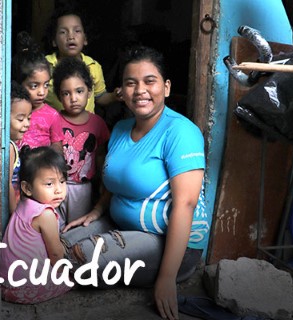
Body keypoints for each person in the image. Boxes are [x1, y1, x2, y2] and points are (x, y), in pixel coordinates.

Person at [61, 46, 209, 320]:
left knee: (81, 257)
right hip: (122, 224)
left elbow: (185, 205)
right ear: (122, 91)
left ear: (165, 87)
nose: (140, 90)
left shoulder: (181, 132)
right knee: (59, 243)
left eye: (149, 81)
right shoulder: (120, 129)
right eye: (131, 83)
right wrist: (96, 212)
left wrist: (166, 278)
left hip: (169, 243)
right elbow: (115, 182)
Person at [0, 146, 72, 304]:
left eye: (62, 181)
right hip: (28, 290)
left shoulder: (24, 204)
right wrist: (63, 274)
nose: (59, 190)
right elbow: (56, 254)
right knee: (77, 277)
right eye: (49, 184)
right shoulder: (45, 214)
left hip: (6, 286)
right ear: (27, 188)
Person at [52, 56, 110, 230]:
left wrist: (102, 183)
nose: (73, 98)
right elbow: (54, 154)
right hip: (58, 186)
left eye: (79, 91)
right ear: (59, 96)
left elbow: (100, 155)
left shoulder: (98, 123)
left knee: (77, 228)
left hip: (83, 188)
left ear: (90, 92)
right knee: (55, 227)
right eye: (66, 93)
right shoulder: (55, 120)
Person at [44, 5, 121, 113]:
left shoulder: (93, 66)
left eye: (77, 31)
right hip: (53, 127)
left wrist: (113, 96)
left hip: (85, 127)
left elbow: (100, 97)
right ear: (54, 41)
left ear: (85, 39)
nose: (71, 36)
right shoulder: (44, 65)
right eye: (63, 32)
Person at [12, 31, 64, 153]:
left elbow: (57, 147)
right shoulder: (9, 111)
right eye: (34, 86)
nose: (42, 92)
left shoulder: (52, 115)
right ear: (18, 83)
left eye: (46, 85)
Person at [8, 81, 32, 213]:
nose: (27, 124)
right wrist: (14, 217)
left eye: (29, 118)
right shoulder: (10, 148)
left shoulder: (12, 145)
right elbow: (8, 186)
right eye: (21, 119)